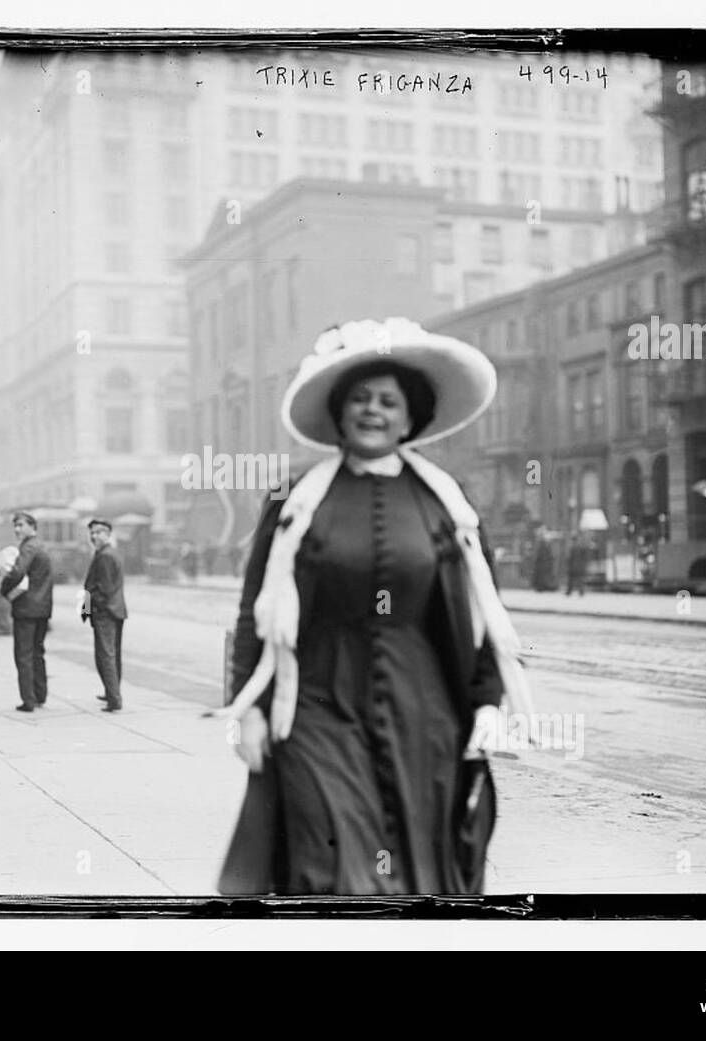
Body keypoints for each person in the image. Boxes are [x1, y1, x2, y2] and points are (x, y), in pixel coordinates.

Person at [213, 317, 533, 896]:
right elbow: (252, 610)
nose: (373, 411)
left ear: (410, 418)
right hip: (313, 702)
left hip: (425, 709)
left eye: (389, 401)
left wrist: (488, 702)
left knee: (418, 860)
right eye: (360, 398)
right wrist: (248, 708)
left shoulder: (448, 504)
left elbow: (484, 617)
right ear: (338, 412)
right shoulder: (293, 500)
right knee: (327, 854)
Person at [0, 511, 54, 712]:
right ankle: (40, 694)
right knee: (38, 652)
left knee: (23, 654)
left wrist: (3, 589)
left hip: (26, 609)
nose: (17, 529)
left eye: (21, 525)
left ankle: (28, 700)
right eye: (15, 525)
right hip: (42, 609)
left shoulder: (28, 547)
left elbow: (17, 572)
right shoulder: (42, 546)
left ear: (33, 527)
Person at [81, 518, 127, 712]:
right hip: (115, 610)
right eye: (92, 532)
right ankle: (111, 692)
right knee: (111, 654)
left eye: (99, 532)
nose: (94, 536)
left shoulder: (105, 556)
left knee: (105, 656)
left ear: (108, 535)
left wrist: (91, 608)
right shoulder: (107, 553)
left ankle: (114, 698)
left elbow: (103, 589)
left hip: (105, 612)